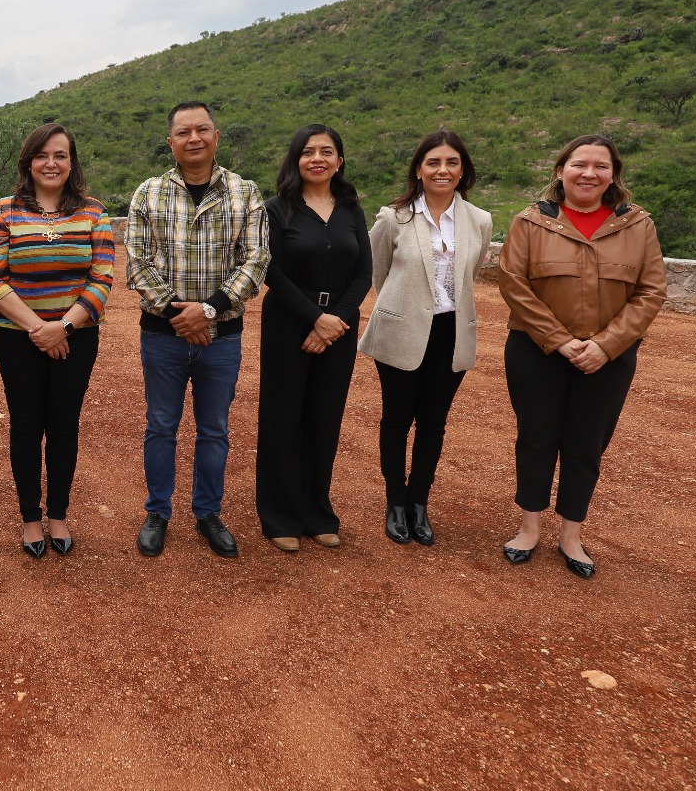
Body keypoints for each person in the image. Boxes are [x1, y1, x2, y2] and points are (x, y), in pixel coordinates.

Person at [497, 134, 666, 578]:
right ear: (560, 171)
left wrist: (606, 345)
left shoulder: (637, 225)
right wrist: (560, 339)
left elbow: (651, 292)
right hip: (536, 351)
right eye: (579, 165)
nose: (589, 174)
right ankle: (528, 527)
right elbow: (514, 284)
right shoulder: (530, 222)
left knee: (587, 443)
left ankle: (571, 534)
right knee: (536, 437)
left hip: (608, 357)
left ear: (613, 175)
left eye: (601, 166)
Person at [126, 101, 270, 559]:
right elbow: (137, 264)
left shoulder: (245, 193)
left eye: (202, 129)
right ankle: (158, 513)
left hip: (222, 337)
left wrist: (207, 312)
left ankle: (208, 513)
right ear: (170, 141)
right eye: (183, 132)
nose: (194, 138)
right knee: (161, 426)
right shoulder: (147, 193)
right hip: (162, 335)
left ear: (216, 135)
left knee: (214, 429)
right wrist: (180, 316)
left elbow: (256, 260)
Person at [0, 124, 114, 558]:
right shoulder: (4, 211)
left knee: (63, 426)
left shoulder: (94, 212)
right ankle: (30, 519)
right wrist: (40, 329)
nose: (51, 163)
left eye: (60, 155)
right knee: (25, 426)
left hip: (76, 338)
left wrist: (65, 327)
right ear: (29, 162)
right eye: (42, 156)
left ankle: (58, 513)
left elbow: (102, 278)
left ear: (71, 162)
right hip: (18, 339)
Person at [359, 131, 492, 547]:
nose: (442, 170)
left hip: (452, 331)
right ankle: (395, 502)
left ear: (462, 171)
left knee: (434, 422)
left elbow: (467, 277)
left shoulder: (480, 220)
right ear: (419, 169)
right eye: (433, 162)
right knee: (397, 419)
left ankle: (419, 504)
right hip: (401, 329)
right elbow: (378, 274)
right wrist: (406, 308)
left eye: (452, 162)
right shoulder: (392, 218)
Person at [255, 124, 372, 553]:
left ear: (340, 160)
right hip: (289, 321)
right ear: (295, 159)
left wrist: (335, 320)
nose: (317, 158)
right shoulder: (276, 208)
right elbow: (273, 272)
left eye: (327, 151)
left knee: (325, 418)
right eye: (308, 152)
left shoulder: (350, 207)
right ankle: (280, 515)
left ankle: (317, 512)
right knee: (283, 417)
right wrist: (314, 319)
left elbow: (364, 273)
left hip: (339, 326)